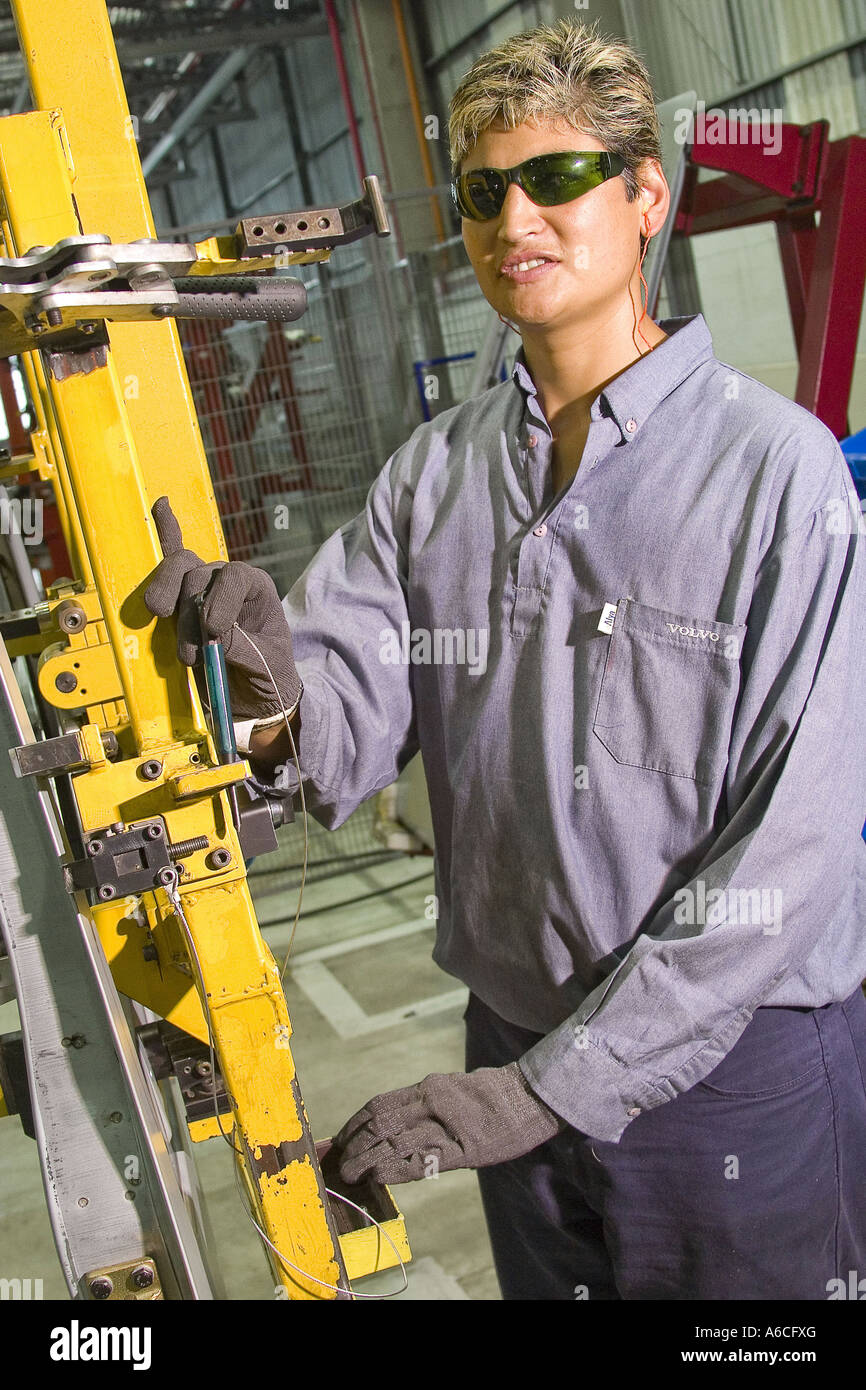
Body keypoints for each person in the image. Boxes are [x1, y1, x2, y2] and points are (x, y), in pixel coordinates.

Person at [145, 18, 866, 1300]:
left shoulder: (777, 480)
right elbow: (336, 720)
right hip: (508, 1056)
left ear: (645, 195)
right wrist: (262, 693)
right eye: (482, 192)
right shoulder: (435, 476)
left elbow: (789, 856)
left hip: (729, 1073)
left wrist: (555, 1087)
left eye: (555, 179)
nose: (510, 216)